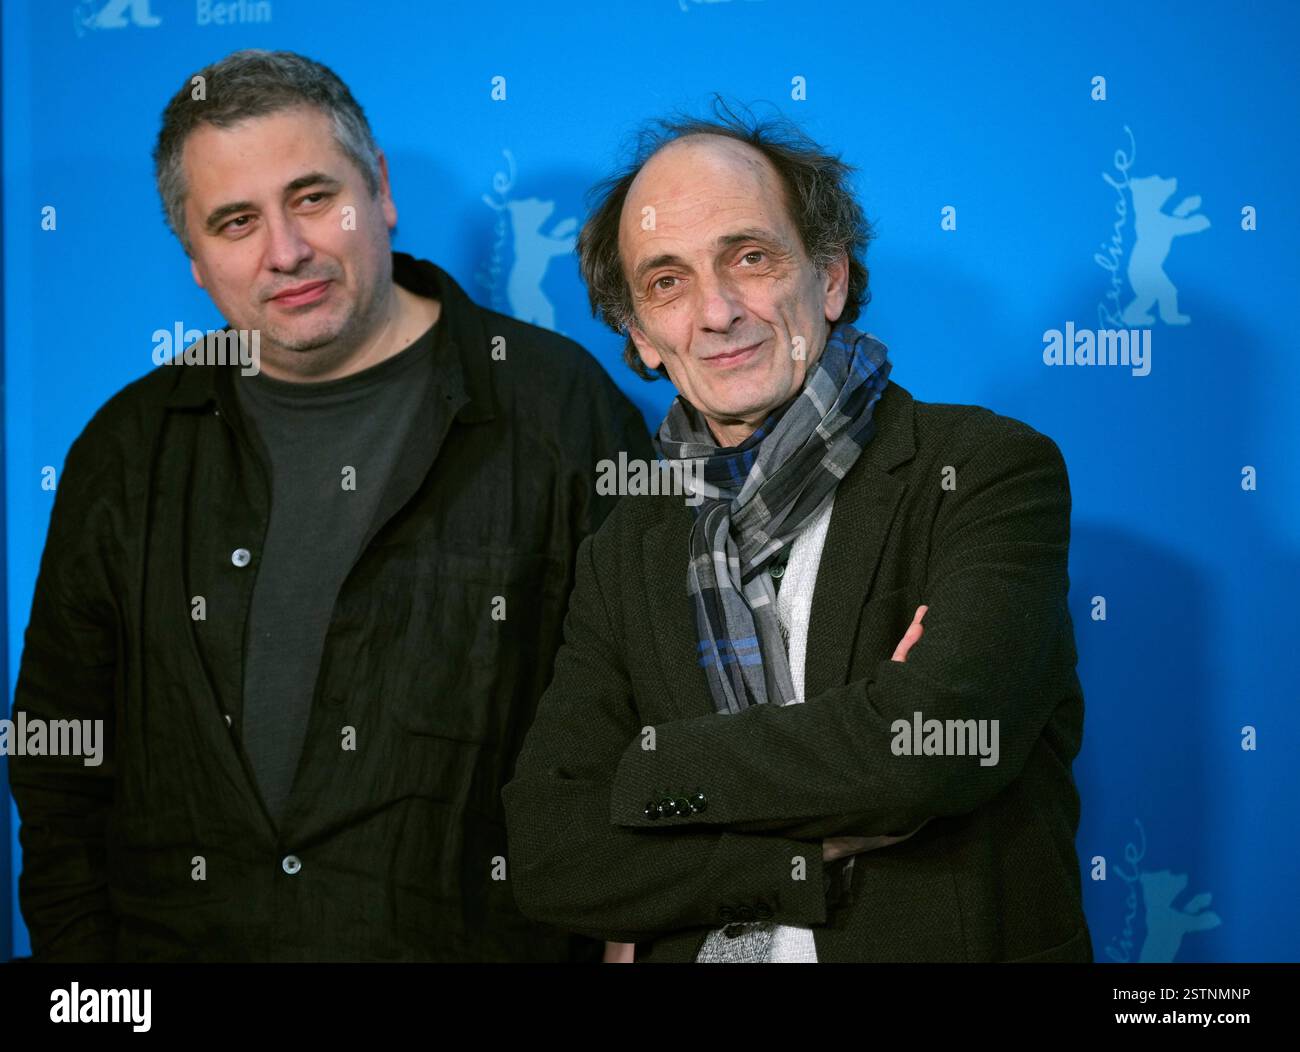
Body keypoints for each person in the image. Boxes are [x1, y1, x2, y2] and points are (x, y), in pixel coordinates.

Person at [7, 48, 652, 962]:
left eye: (313, 198)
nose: (286, 251)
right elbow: (58, 765)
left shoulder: (557, 412)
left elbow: (645, 729)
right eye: (235, 222)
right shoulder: (125, 451)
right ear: (194, 261)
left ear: (380, 189)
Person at [501, 101, 1092, 962]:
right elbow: (553, 854)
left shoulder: (984, 471)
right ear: (642, 337)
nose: (717, 311)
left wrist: (650, 768)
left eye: (749, 257)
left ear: (830, 277)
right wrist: (802, 855)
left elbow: (930, 747)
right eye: (668, 281)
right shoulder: (627, 548)